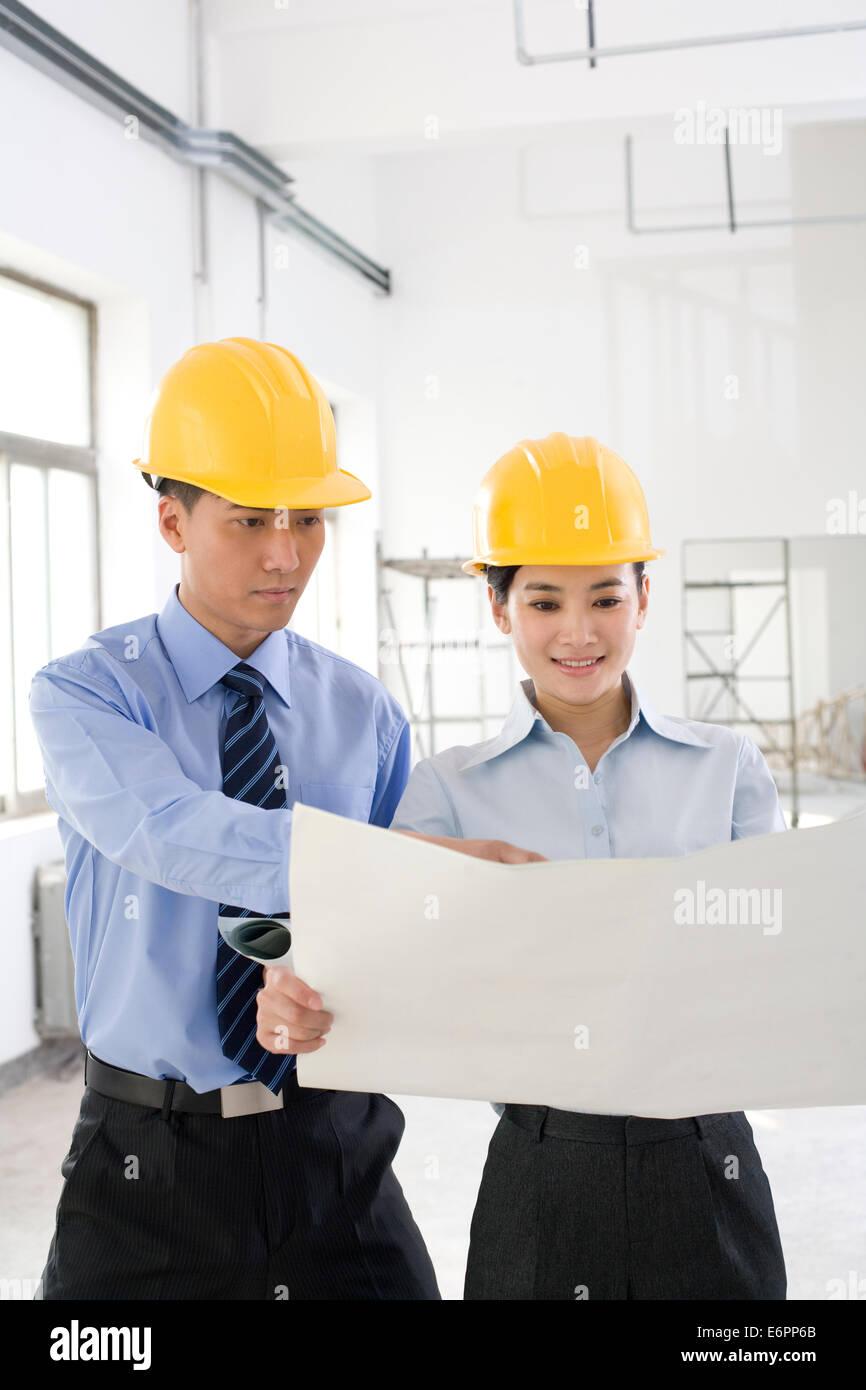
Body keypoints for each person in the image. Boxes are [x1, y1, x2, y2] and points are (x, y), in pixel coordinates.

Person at [28, 336, 541, 1301]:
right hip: (146, 1162)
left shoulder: (364, 712)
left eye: (307, 519)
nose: (285, 552)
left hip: (333, 1151)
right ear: (173, 523)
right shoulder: (87, 695)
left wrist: (403, 925)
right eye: (250, 519)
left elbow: (395, 942)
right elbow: (169, 828)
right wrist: (395, 864)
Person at [259, 432, 788, 1301]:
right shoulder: (448, 792)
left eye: (605, 598)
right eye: (544, 602)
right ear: (500, 610)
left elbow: (784, 953)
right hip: (541, 1169)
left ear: (644, 598)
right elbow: (374, 954)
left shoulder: (726, 767)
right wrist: (299, 991)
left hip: (709, 1158)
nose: (578, 632)